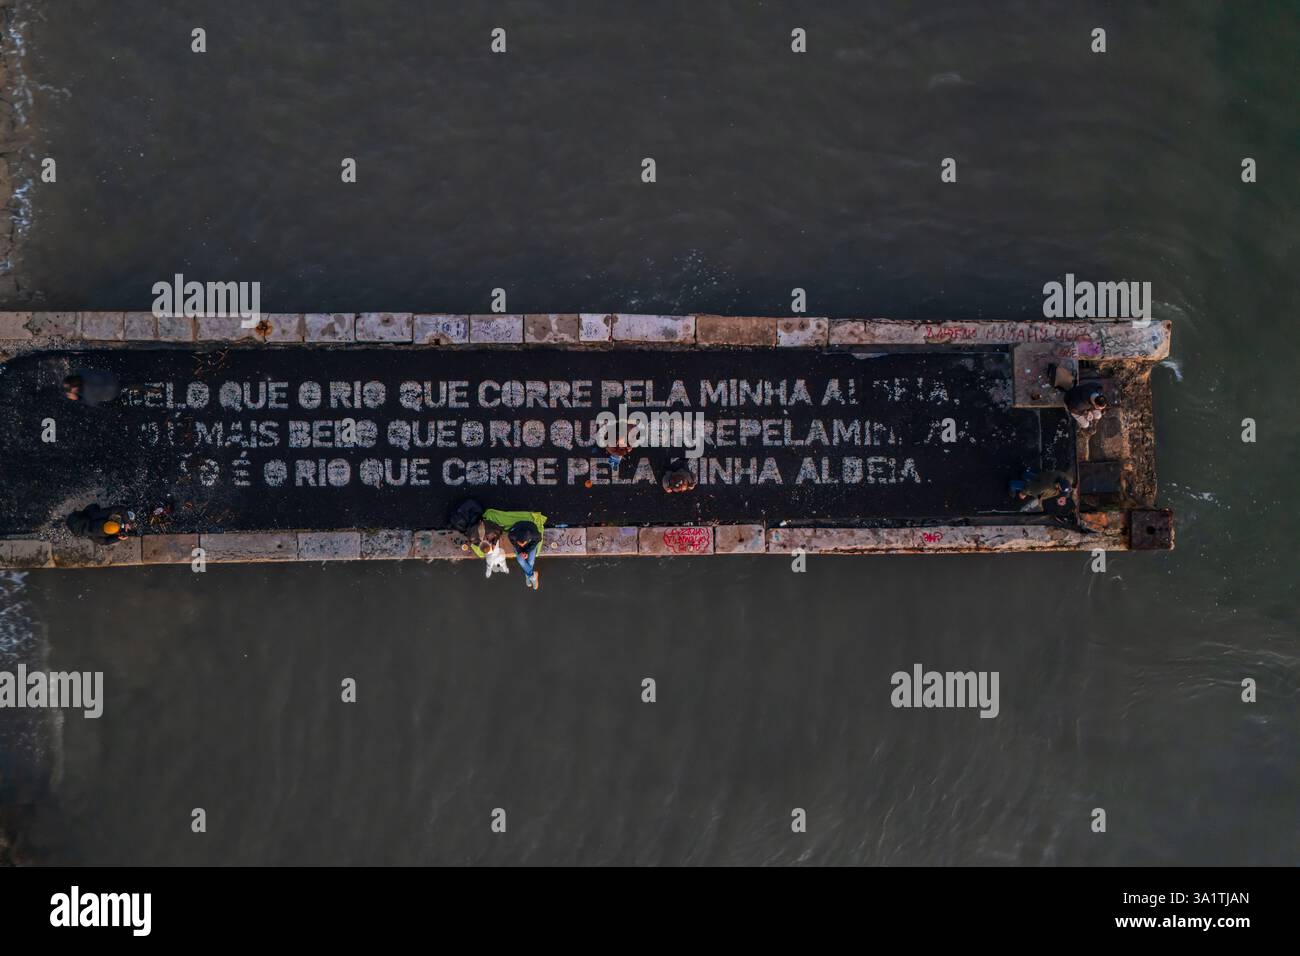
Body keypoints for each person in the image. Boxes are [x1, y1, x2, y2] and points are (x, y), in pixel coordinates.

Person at [471, 508, 547, 590]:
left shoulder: (535, 535)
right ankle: (531, 575)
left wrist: (527, 551)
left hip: (531, 545)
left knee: (531, 561)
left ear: (527, 540)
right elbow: (515, 545)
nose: (521, 544)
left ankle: (529, 576)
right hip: (521, 545)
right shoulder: (512, 535)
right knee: (521, 560)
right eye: (519, 543)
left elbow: (537, 541)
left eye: (523, 543)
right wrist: (521, 551)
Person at [65, 503, 133, 544]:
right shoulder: (97, 515)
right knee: (94, 507)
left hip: (84, 520)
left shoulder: (94, 535)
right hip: (78, 522)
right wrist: (119, 538)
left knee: (94, 507)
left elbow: (106, 542)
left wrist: (127, 523)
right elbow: (106, 542)